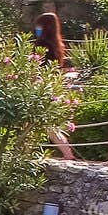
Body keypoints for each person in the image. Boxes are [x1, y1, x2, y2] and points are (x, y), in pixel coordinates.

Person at [32, 11, 76, 160]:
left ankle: (67, 154)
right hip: (51, 85)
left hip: (39, 86)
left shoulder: (41, 44)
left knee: (43, 123)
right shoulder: (57, 44)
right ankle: (68, 153)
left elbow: (35, 66)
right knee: (47, 124)